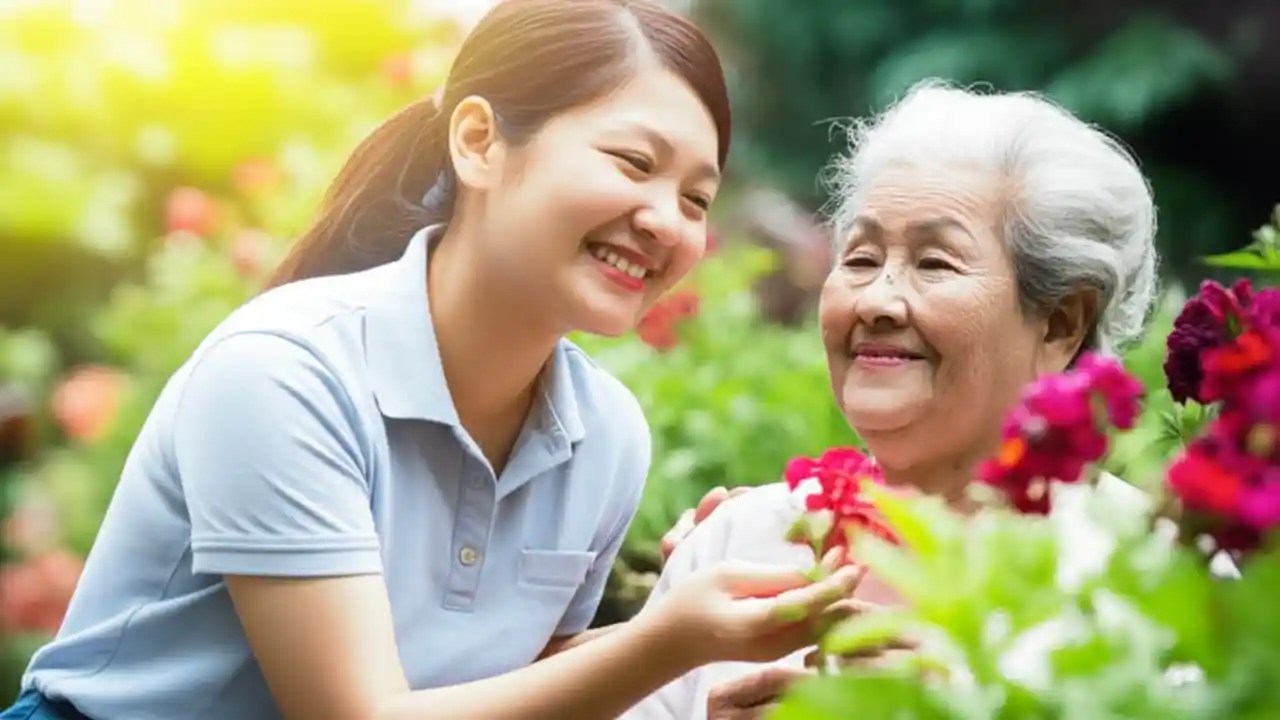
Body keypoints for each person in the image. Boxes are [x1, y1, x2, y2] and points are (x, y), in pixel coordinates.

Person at [0, 2, 860, 719]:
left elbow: (528, 682)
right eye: (633, 162)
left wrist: (699, 649)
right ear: (480, 141)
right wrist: (671, 638)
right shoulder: (284, 372)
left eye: (695, 198)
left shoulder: (608, 436)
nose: (666, 221)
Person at [625, 79, 1164, 720]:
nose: (876, 301)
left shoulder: (1150, 570)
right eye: (860, 258)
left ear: (1059, 324)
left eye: (935, 264)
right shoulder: (739, 547)